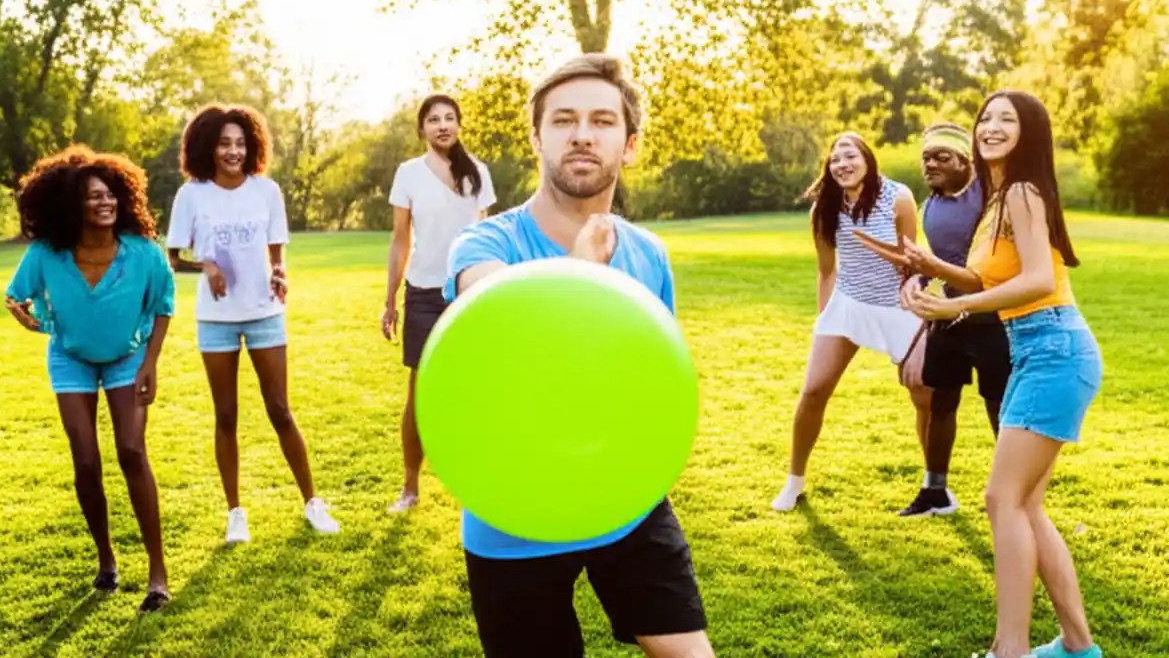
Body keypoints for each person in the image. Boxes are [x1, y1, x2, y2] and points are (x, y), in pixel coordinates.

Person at [444, 54, 713, 658]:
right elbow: (496, 312)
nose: (583, 134)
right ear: (537, 137)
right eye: (564, 120)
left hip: (626, 499)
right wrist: (580, 270)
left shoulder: (649, 253)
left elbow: (654, 374)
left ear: (631, 143)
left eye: (601, 120)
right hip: (514, 511)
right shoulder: (487, 241)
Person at [904, 90, 1103, 658]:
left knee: (1002, 500)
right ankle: (1077, 646)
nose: (990, 126)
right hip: (1037, 349)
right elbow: (983, 279)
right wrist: (932, 273)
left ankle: (1007, 651)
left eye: (1006, 119)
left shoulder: (1020, 191)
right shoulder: (1000, 197)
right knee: (1025, 505)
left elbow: (1039, 279)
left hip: (1054, 348)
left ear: (1030, 131)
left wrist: (951, 308)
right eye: (985, 117)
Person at [4, 145, 174, 613]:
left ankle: (157, 573)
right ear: (69, 206)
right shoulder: (47, 255)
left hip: (126, 358)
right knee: (85, 461)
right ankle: (107, 559)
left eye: (110, 195)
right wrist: (21, 312)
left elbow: (163, 308)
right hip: (70, 359)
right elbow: (15, 296)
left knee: (132, 451)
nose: (104, 203)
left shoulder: (143, 253)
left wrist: (149, 363)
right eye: (92, 197)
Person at [165, 103, 339, 544]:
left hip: (264, 313)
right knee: (226, 415)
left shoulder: (266, 191)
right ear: (207, 147)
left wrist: (280, 274)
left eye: (241, 143)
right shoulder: (192, 195)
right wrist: (205, 265)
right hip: (216, 319)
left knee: (280, 409)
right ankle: (235, 512)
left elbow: (277, 254)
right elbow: (174, 259)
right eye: (224, 143)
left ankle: (312, 502)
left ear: (252, 146)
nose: (233, 151)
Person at [856, 122, 1012, 517]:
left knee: (999, 407)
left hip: (992, 319)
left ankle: (1014, 495)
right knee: (941, 403)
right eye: (926, 159)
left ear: (966, 162)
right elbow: (939, 263)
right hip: (948, 319)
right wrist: (916, 283)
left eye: (942, 157)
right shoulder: (931, 208)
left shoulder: (988, 194)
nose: (931, 165)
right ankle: (935, 491)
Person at [770, 132, 932, 513]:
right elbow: (826, 272)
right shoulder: (824, 210)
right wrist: (825, 319)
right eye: (835, 159)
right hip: (848, 303)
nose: (842, 164)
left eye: (850, 156)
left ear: (867, 160)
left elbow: (912, 262)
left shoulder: (899, 197)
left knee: (923, 394)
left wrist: (917, 304)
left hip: (896, 305)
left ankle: (933, 483)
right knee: (813, 391)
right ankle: (794, 481)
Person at [382, 94, 497, 513]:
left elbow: (484, 237)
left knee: (477, 388)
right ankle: (409, 488)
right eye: (434, 119)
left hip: (469, 291)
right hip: (424, 293)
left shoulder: (477, 173)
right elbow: (400, 240)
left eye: (450, 118)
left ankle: (480, 480)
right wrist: (390, 300)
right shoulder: (408, 174)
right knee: (419, 391)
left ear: (459, 125)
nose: (443, 125)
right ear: (422, 129)